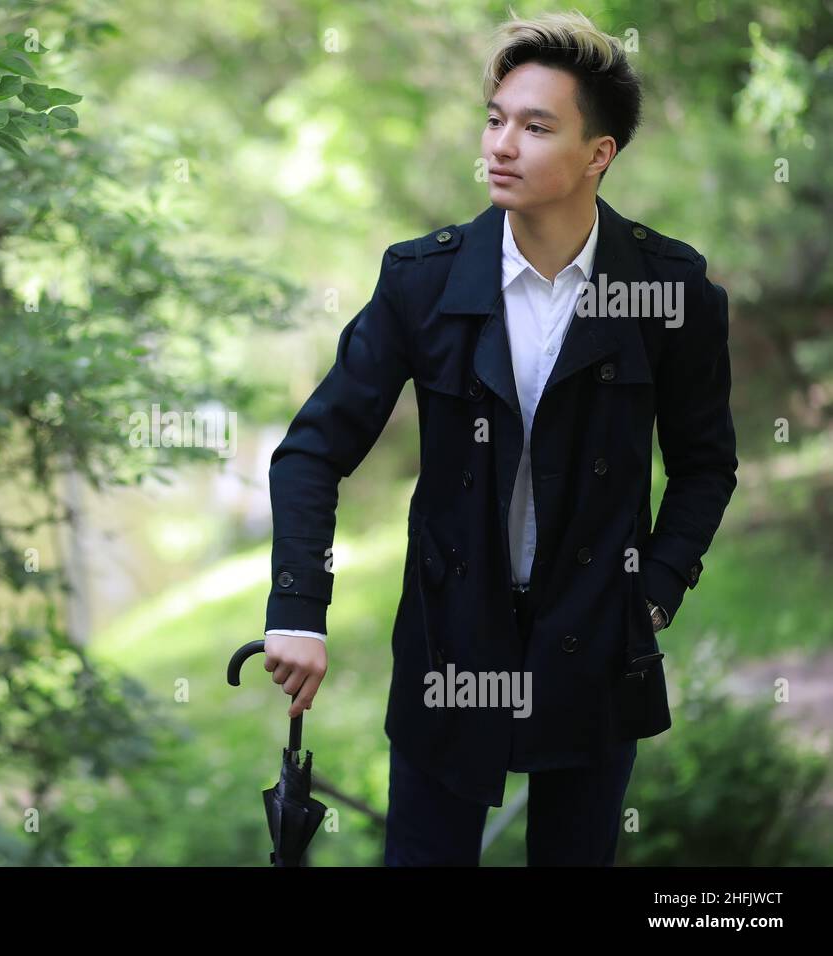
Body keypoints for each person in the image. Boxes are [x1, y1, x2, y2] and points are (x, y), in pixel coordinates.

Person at [261, 9, 738, 865]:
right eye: (494, 119)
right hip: (453, 641)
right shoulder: (425, 279)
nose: (501, 144)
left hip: (594, 641)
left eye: (535, 125)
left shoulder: (669, 289)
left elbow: (705, 465)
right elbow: (313, 450)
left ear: (600, 154)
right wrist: (298, 608)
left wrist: (654, 592)